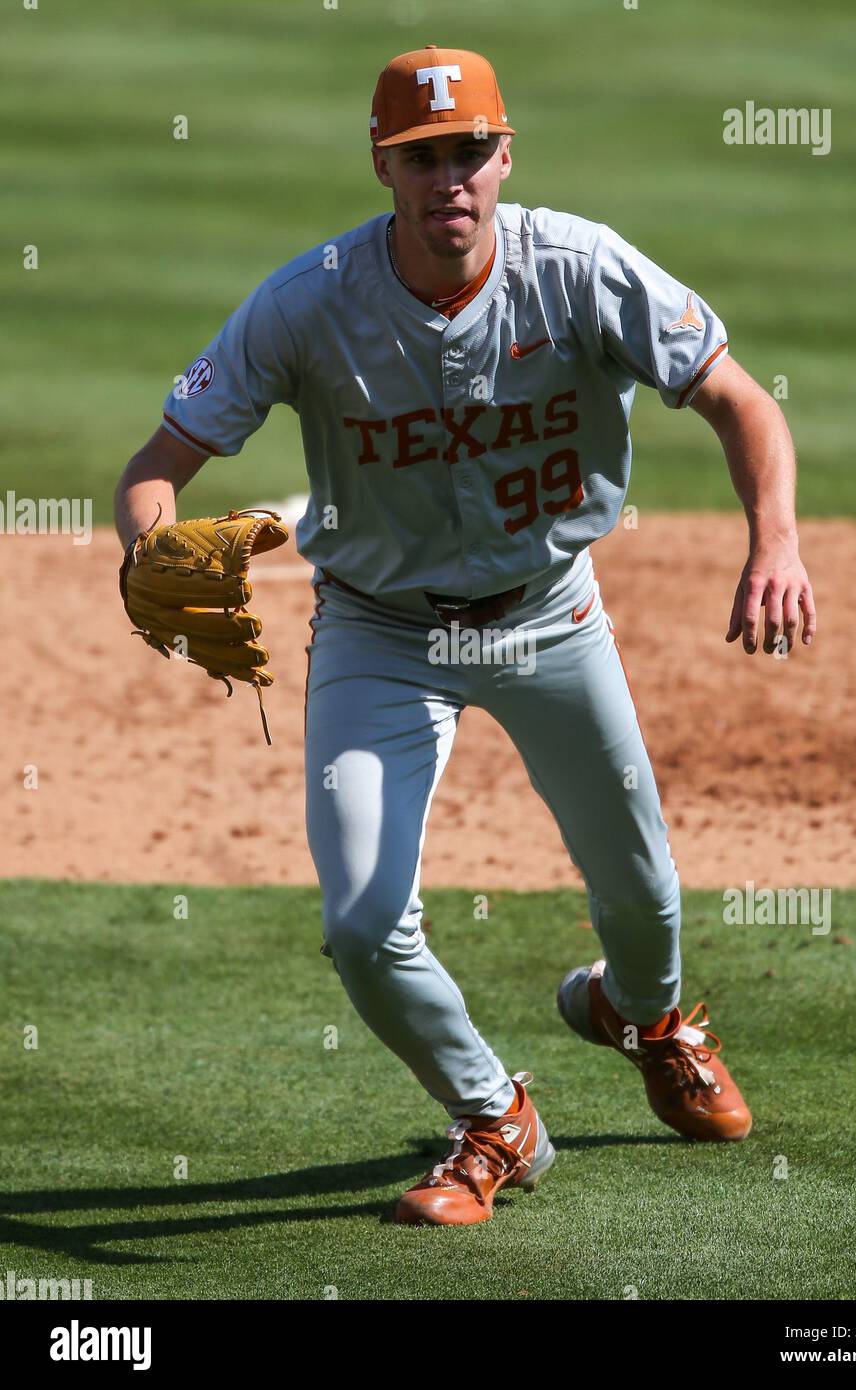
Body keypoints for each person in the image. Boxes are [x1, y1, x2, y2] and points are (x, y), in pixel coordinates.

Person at [114, 44, 816, 1226]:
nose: (450, 178)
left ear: (504, 157)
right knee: (358, 919)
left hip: (549, 614)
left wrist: (778, 542)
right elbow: (159, 463)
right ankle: (493, 1117)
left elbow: (740, 398)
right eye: (421, 156)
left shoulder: (579, 269)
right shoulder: (307, 301)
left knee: (641, 890)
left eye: (469, 151)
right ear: (384, 166)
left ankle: (642, 1017)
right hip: (379, 632)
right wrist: (151, 548)